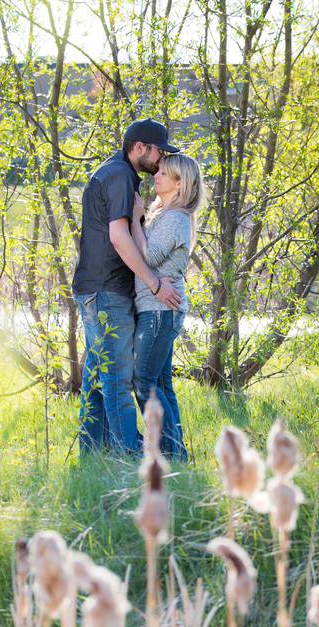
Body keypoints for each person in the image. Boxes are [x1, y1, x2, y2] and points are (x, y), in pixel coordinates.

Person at [72, 118, 182, 455]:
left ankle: (93, 454)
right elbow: (118, 237)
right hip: (107, 291)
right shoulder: (120, 176)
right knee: (118, 379)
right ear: (139, 148)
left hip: (95, 288)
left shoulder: (115, 171)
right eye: (158, 150)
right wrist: (154, 284)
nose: (161, 158)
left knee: (96, 378)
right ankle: (128, 458)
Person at [130, 153, 203, 461]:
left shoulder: (174, 217)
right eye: (157, 170)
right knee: (162, 383)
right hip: (160, 311)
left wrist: (134, 218)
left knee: (142, 381)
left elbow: (148, 255)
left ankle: (168, 452)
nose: (155, 175)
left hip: (159, 312)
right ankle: (177, 455)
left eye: (162, 173)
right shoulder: (168, 215)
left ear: (179, 183)